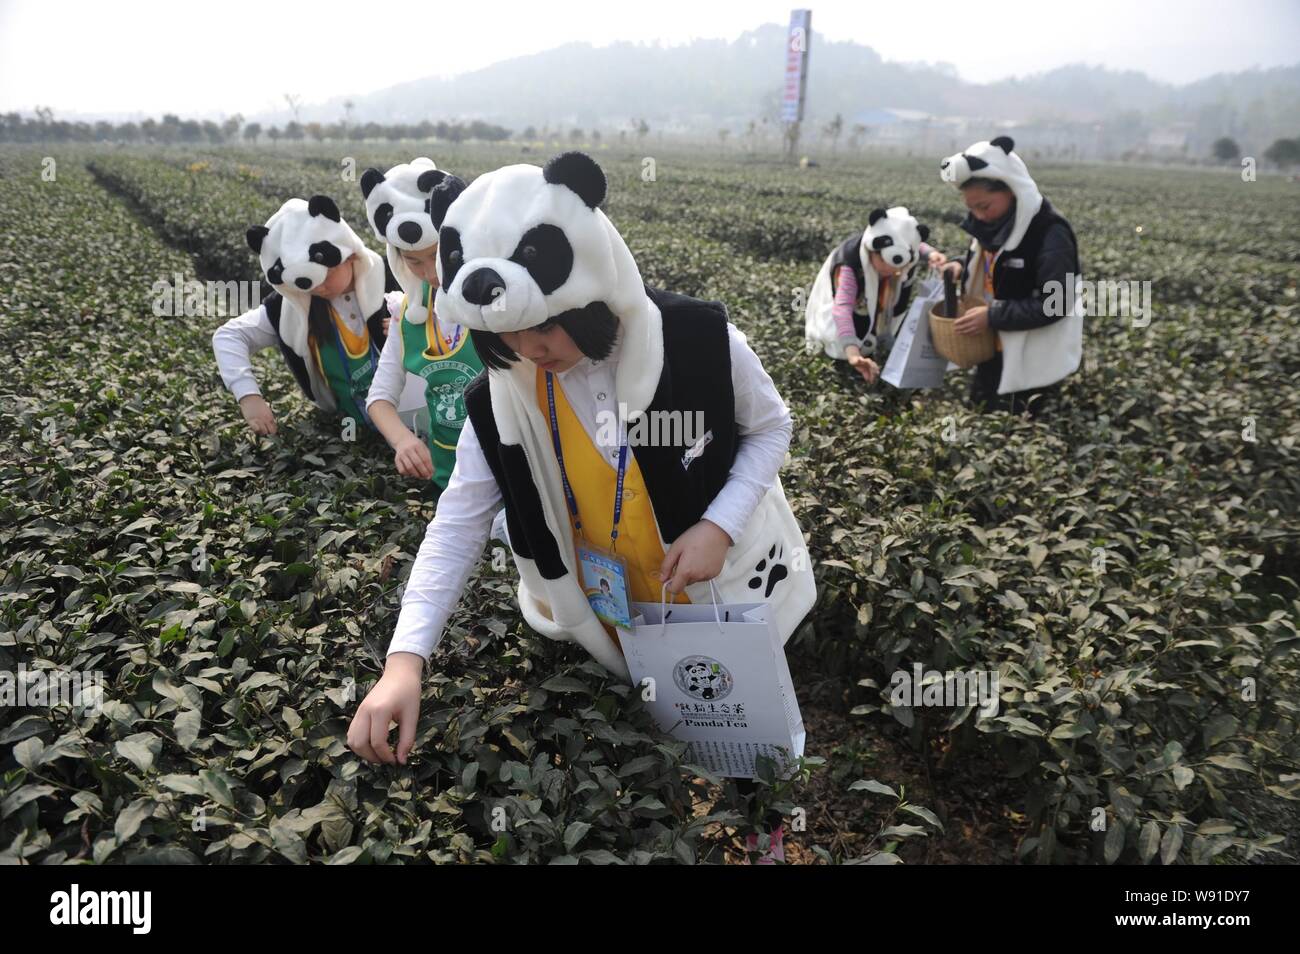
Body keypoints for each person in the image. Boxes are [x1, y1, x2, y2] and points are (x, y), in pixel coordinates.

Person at [348, 152, 817, 860]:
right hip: (609, 608)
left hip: (713, 591)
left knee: (743, 729)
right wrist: (405, 660)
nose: (530, 351)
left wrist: (719, 522)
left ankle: (765, 830)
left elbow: (771, 426)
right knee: (644, 740)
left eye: (544, 330)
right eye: (506, 339)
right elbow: (460, 519)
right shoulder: (503, 393)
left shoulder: (698, 339)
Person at [213, 195, 392, 435]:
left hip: (417, 421)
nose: (318, 289)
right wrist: (248, 396)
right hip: (354, 430)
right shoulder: (289, 309)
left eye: (326, 276)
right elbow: (229, 336)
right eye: (307, 284)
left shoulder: (392, 278)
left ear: (349, 254)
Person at [357, 159, 483, 494]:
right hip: (446, 479)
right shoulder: (407, 314)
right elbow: (380, 398)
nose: (430, 273)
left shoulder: (493, 305)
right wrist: (403, 441)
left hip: (505, 479)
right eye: (414, 262)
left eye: (438, 256)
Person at [938, 136, 1084, 416]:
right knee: (979, 421)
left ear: (1013, 191)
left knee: (1018, 427)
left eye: (984, 206)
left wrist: (993, 316)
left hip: (1033, 361)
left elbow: (1054, 304)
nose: (978, 216)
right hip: (994, 347)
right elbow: (996, 262)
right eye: (972, 208)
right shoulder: (995, 224)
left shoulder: (1050, 233)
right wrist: (961, 265)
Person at [804, 207, 945, 384]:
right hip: (847, 322)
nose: (892, 271)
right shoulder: (850, 264)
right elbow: (842, 309)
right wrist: (853, 353)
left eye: (898, 268)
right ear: (872, 249)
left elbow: (911, 242)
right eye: (884, 264)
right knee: (842, 368)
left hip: (875, 314)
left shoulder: (902, 256)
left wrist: (931, 254)